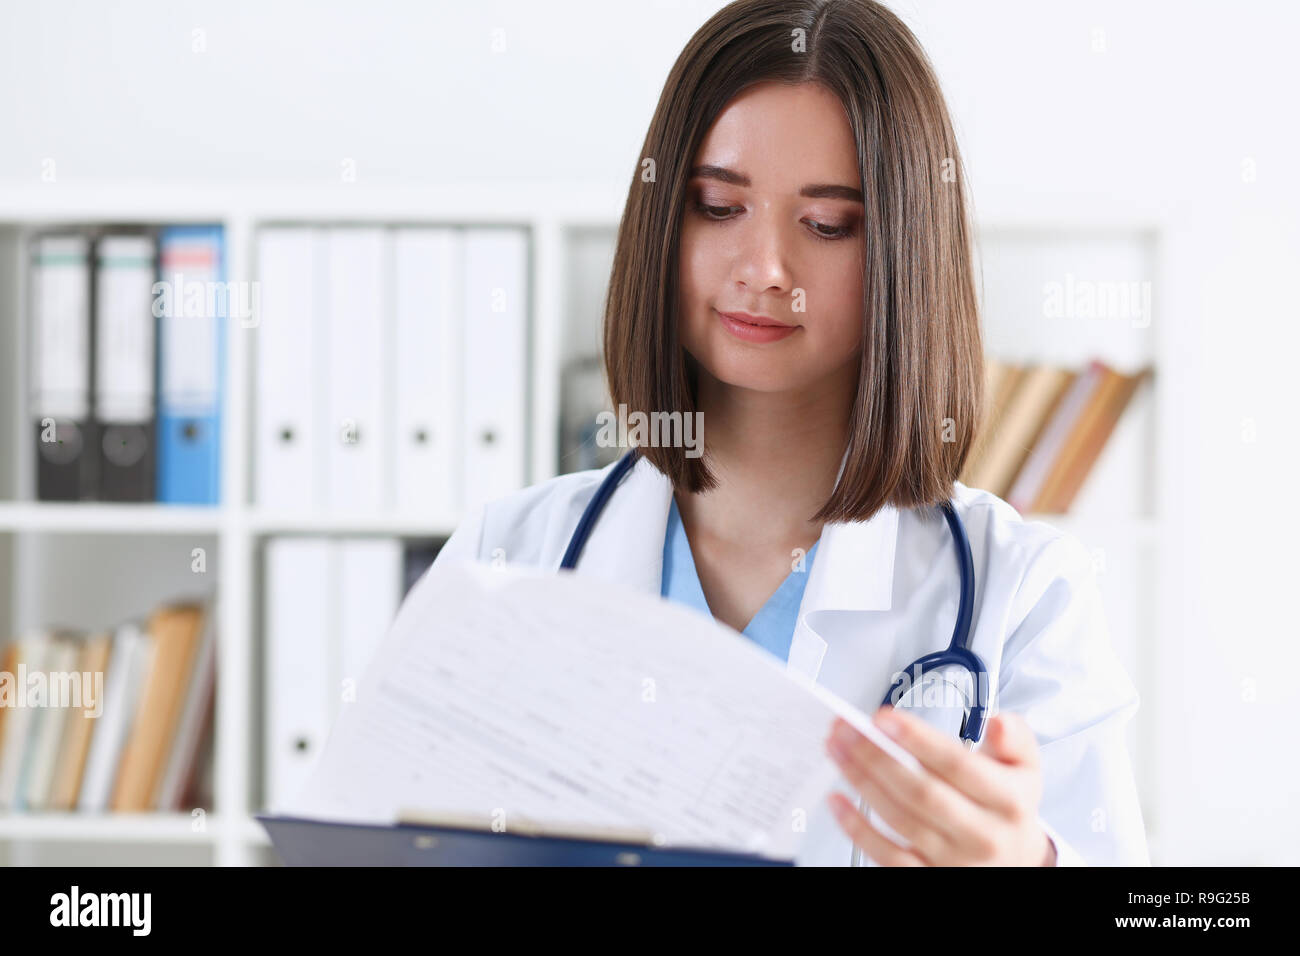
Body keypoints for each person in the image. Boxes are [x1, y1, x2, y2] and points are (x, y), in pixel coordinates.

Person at [412, 0, 1149, 866]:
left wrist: (1027, 863)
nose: (764, 269)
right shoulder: (511, 555)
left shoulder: (1021, 596)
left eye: (827, 224)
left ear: (902, 252)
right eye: (719, 206)